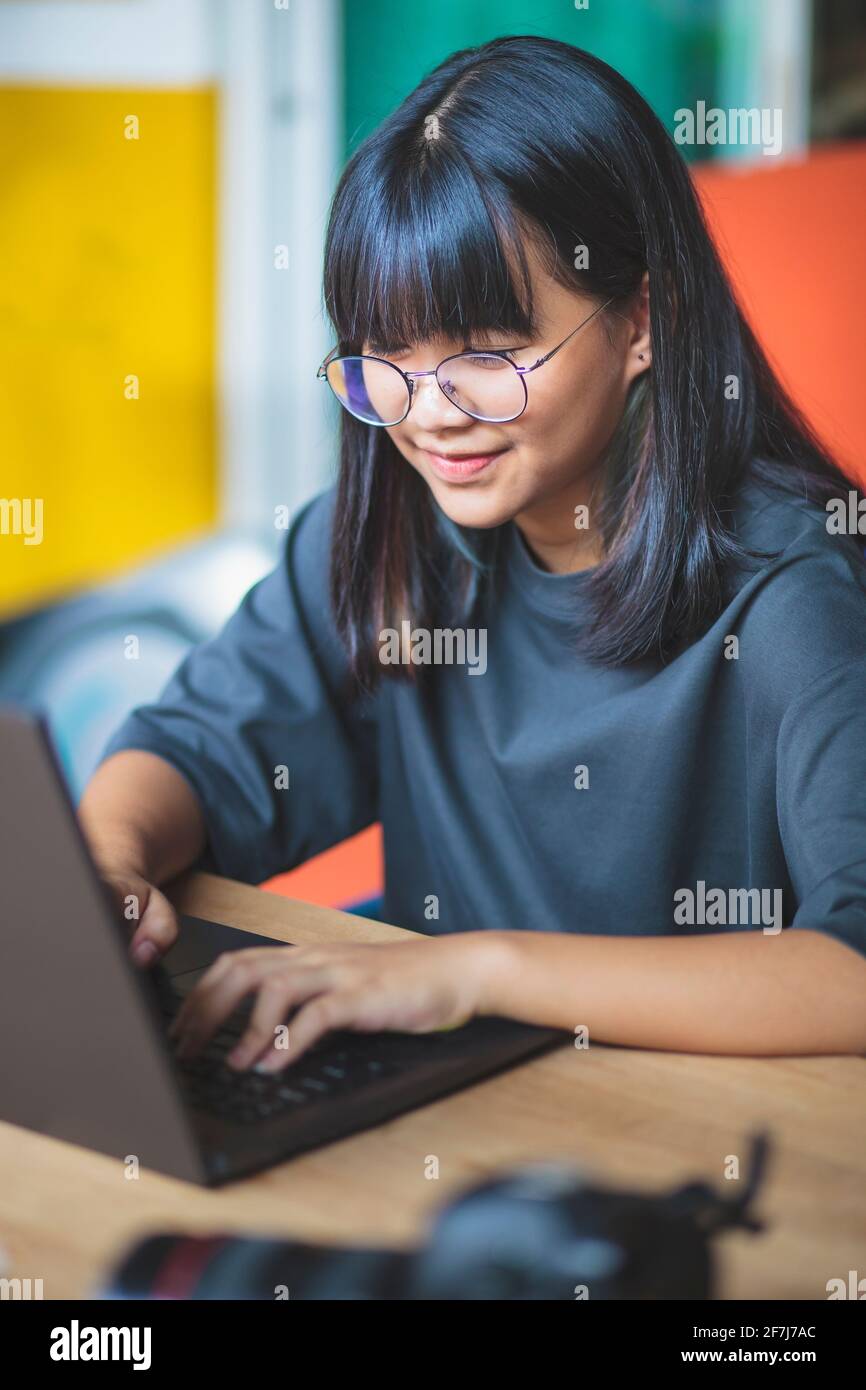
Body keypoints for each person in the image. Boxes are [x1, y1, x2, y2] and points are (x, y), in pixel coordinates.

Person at [81, 36, 866, 1069]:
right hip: (443, 1119)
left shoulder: (791, 592)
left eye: (485, 355)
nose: (428, 418)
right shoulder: (390, 542)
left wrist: (467, 971)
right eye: (385, 358)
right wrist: (108, 862)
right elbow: (190, 754)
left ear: (641, 319)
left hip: (671, 1155)